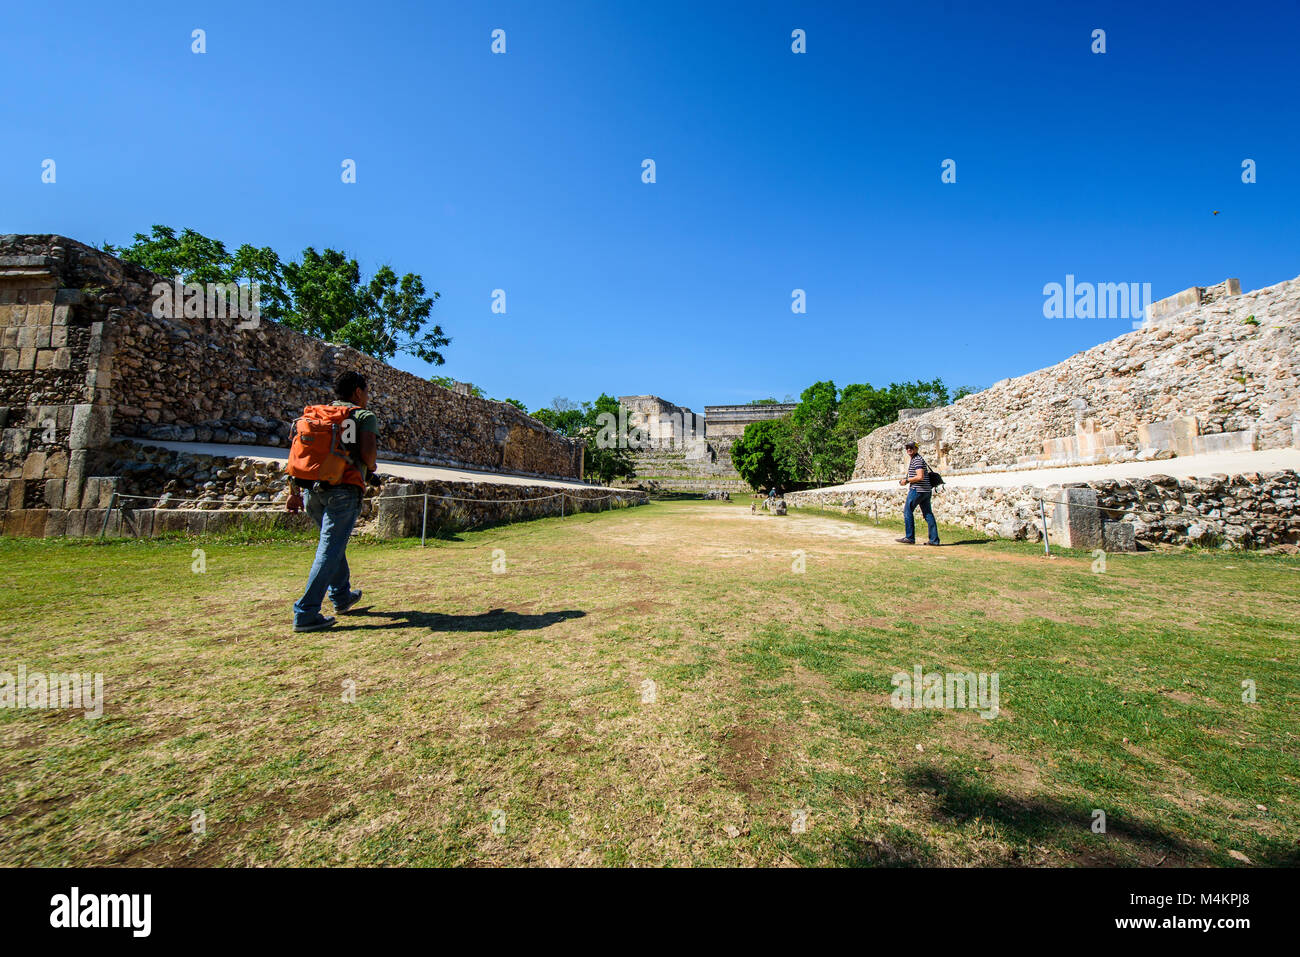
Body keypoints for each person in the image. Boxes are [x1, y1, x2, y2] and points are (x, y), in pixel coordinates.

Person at [287, 370, 380, 631]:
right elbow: (369, 455)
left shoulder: (317, 415)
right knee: (330, 549)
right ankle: (306, 612)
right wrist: (369, 469)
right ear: (358, 392)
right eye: (367, 391)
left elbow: (299, 454)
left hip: (310, 491)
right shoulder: (362, 416)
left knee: (332, 545)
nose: (368, 396)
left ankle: (341, 595)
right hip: (344, 489)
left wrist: (292, 491)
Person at [896, 440, 940, 546]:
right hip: (925, 490)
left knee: (907, 511)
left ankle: (910, 537)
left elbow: (920, 476)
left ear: (916, 449)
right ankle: (934, 540)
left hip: (917, 490)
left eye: (911, 448)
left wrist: (906, 481)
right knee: (928, 514)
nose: (909, 449)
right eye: (907, 448)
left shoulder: (917, 460)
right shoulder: (917, 459)